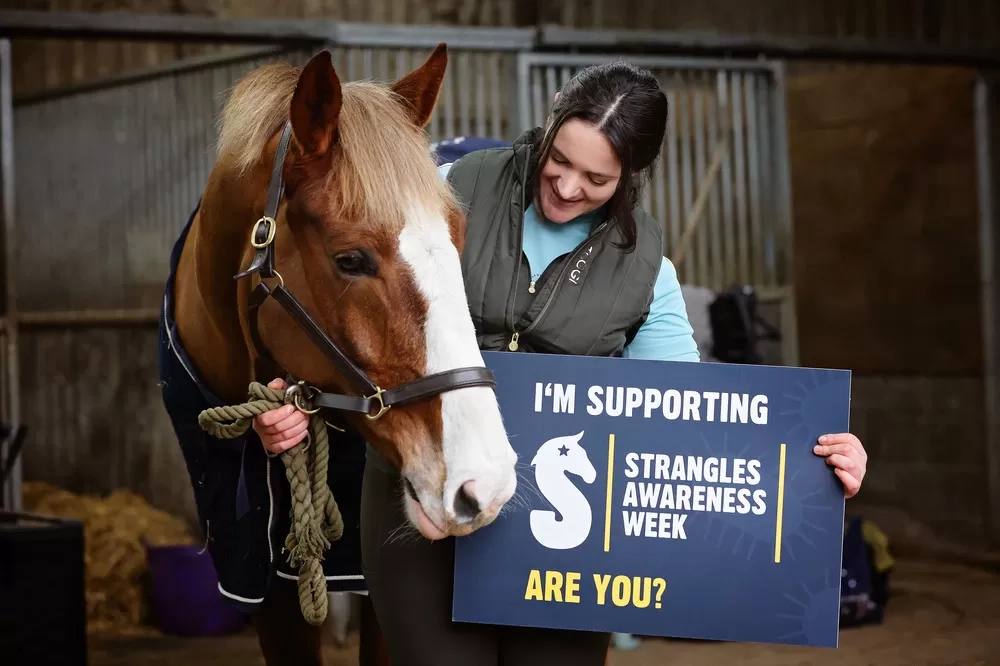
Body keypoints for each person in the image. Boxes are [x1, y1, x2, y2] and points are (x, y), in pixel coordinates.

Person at [252, 61, 869, 666]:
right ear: (548, 124)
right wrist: (296, 400)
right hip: (425, 489)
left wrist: (809, 461)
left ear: (631, 175)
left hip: (567, 537)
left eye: (596, 178)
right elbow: (354, 311)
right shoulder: (445, 191)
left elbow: (692, 415)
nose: (569, 188)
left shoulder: (646, 272)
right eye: (561, 160)